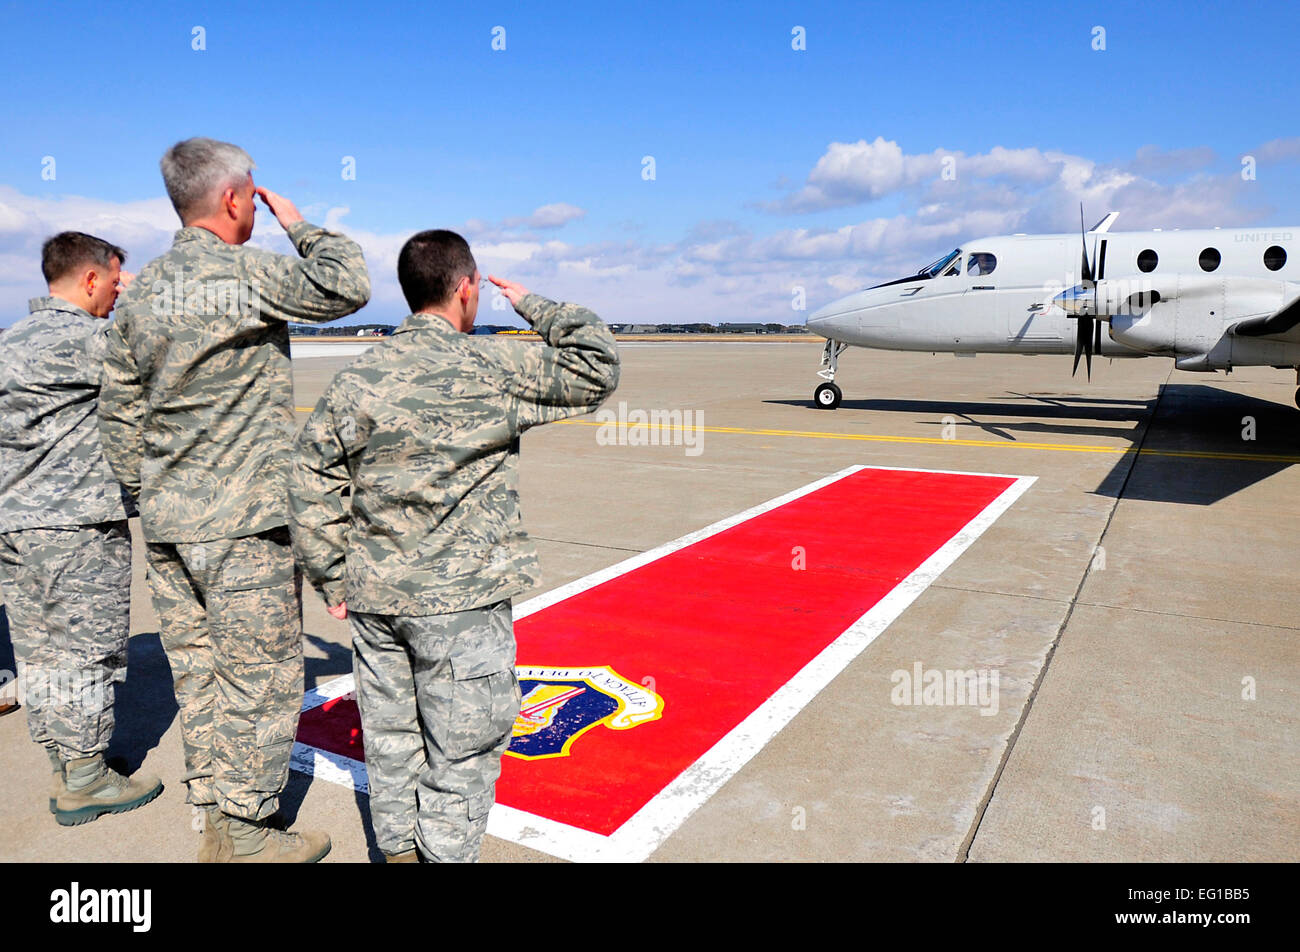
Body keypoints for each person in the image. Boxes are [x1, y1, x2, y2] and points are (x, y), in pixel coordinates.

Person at [288, 229, 619, 862]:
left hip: (376, 599)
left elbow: (309, 476)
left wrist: (333, 576)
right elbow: (597, 363)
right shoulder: (492, 367)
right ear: (465, 289)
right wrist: (535, 305)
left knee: (391, 738)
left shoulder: (359, 376)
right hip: (461, 604)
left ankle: (401, 851)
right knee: (463, 747)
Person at [98, 137, 371, 863]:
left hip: (168, 525)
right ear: (232, 199)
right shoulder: (244, 273)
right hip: (245, 526)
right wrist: (301, 223)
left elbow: (118, 411)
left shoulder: (144, 290)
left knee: (201, 672)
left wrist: (148, 491)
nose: (254, 203)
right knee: (259, 680)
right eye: (251, 194)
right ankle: (245, 832)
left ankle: (212, 802)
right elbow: (348, 285)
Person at [0, 231, 163, 825]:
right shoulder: (92, 341)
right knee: (87, 653)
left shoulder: (10, 342)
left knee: (40, 652)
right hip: (76, 526)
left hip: (15, 528)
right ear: (89, 278)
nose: (121, 292)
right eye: (117, 280)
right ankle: (87, 779)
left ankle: (67, 762)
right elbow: (162, 363)